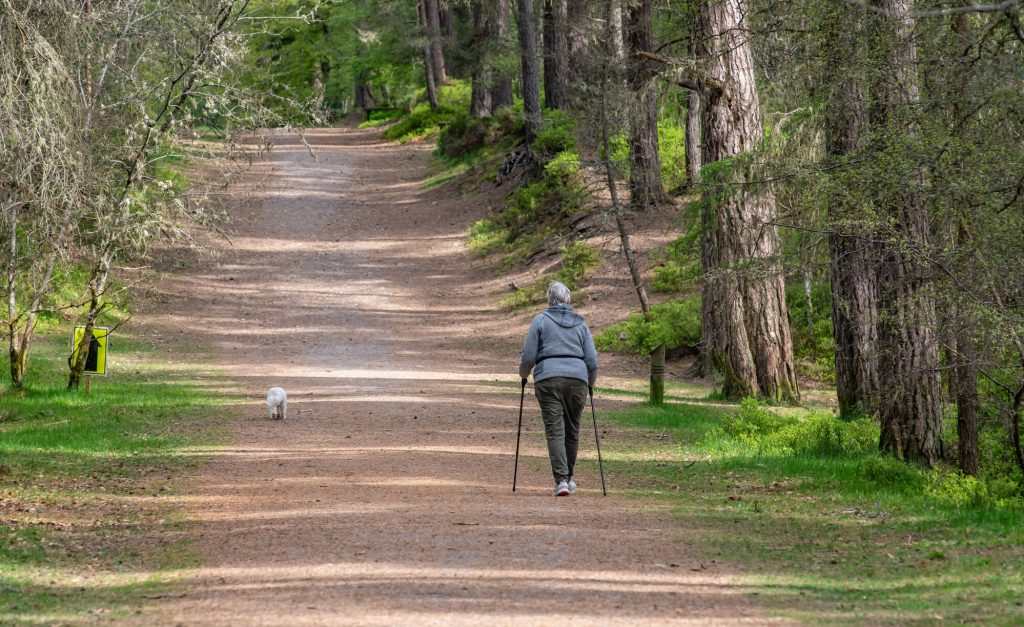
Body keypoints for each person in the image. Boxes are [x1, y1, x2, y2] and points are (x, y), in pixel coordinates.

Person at [519, 281, 599, 496]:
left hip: (548, 378)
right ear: (568, 299)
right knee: (572, 429)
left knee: (555, 430)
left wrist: (524, 375)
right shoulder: (581, 325)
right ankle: (568, 478)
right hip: (577, 380)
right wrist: (591, 383)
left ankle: (561, 481)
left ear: (549, 299)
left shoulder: (540, 321)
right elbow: (592, 360)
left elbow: (528, 356)